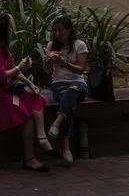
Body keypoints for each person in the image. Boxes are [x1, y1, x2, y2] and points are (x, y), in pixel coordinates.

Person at [0, 12, 52, 173]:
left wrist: (30, 83)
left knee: (35, 98)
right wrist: (20, 67)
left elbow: (15, 72)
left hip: (6, 91)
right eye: (9, 26)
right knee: (25, 114)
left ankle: (41, 135)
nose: (11, 29)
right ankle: (30, 158)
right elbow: (1, 76)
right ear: (1, 29)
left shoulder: (3, 49)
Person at [44, 16, 88, 164]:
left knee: (73, 90)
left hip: (77, 83)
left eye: (61, 30)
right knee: (69, 102)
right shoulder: (51, 45)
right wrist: (49, 61)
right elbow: (48, 72)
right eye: (55, 31)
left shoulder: (79, 45)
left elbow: (81, 70)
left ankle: (57, 122)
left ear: (69, 30)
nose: (58, 34)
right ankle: (66, 147)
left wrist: (65, 63)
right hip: (59, 83)